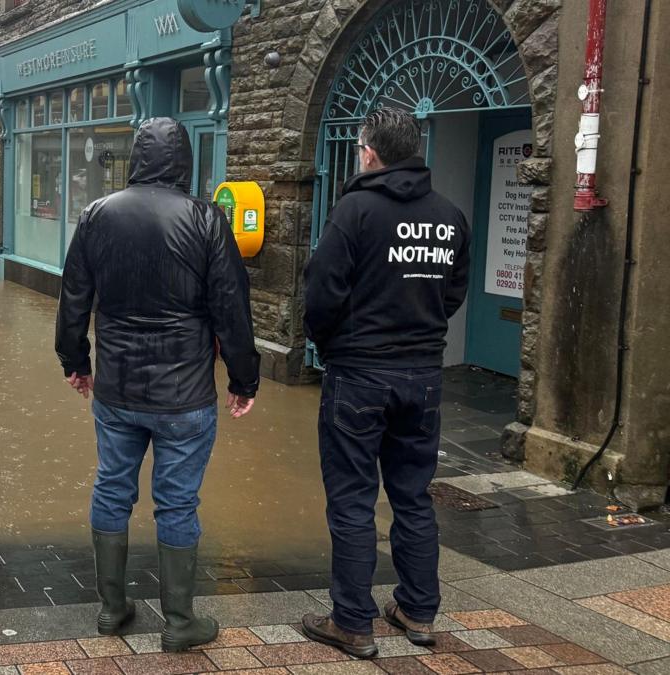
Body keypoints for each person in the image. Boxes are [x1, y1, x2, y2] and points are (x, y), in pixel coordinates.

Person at [56, 117, 261, 652]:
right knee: (176, 503)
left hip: (117, 389)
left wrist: (74, 361)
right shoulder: (206, 219)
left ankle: (111, 608)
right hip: (185, 395)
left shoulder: (97, 215)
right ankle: (179, 621)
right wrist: (244, 378)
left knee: (112, 487)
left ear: (136, 159)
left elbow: (73, 299)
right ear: (184, 161)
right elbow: (231, 308)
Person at [301, 107, 471, 658]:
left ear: (370, 153)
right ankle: (417, 611)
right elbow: (452, 293)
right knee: (412, 495)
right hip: (422, 377)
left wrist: (332, 346)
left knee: (352, 500)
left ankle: (353, 621)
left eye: (358, 149)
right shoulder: (449, 217)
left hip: (359, 376)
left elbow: (321, 294)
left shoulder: (353, 211)